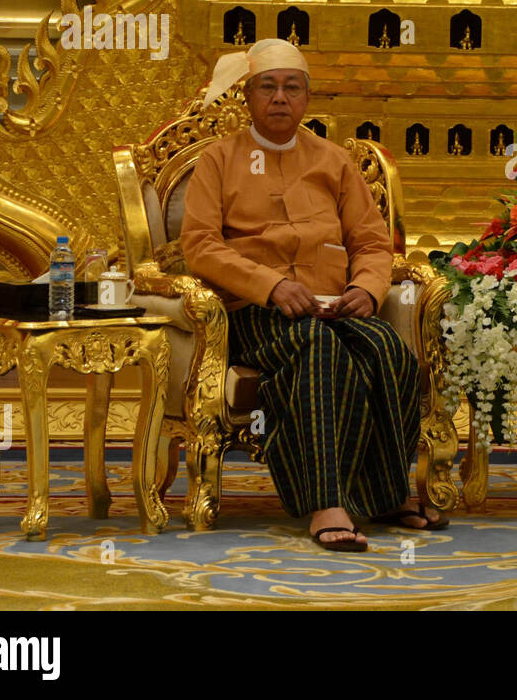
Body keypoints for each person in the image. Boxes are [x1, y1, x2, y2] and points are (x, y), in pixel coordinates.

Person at [181, 38, 444, 552]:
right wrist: (271, 285)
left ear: (306, 100)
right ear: (248, 98)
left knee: (387, 348)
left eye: (291, 88)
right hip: (257, 312)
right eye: (267, 87)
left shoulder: (332, 159)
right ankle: (326, 502)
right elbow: (201, 247)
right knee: (319, 352)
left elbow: (371, 241)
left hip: (335, 305)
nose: (280, 98)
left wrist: (366, 290)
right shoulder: (218, 160)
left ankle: (387, 495)